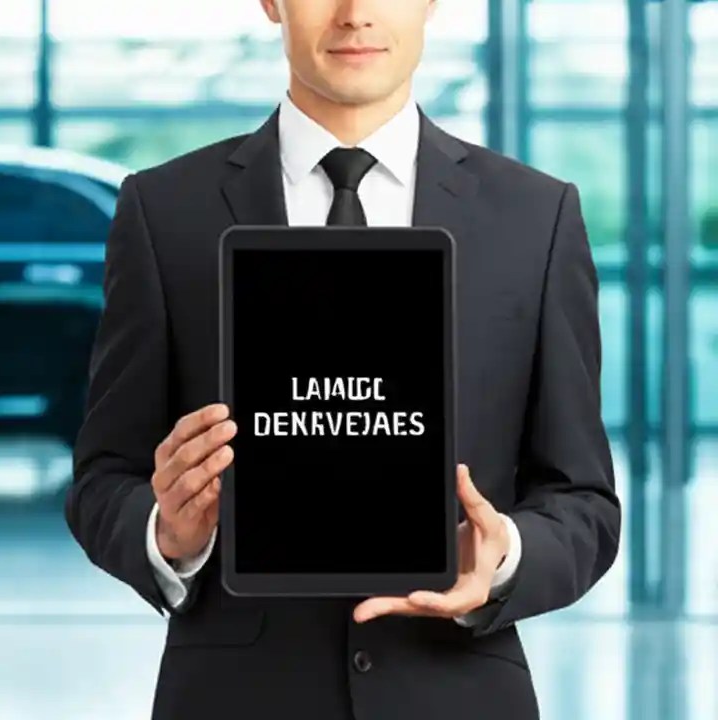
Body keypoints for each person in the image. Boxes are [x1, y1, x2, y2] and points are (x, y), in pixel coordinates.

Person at [63, 1, 622, 719]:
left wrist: (505, 553)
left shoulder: (535, 217)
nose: (356, 14)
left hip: (456, 695)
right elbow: (103, 478)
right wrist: (167, 534)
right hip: (236, 698)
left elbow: (583, 500)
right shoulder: (165, 210)